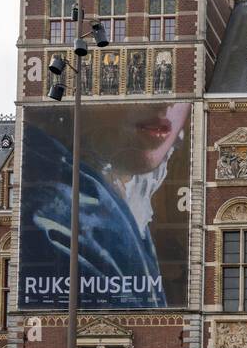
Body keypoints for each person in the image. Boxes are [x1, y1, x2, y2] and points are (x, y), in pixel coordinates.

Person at [22, 102, 193, 310]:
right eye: (136, 73)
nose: (166, 101)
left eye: (176, 81)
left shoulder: (122, 204)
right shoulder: (58, 218)